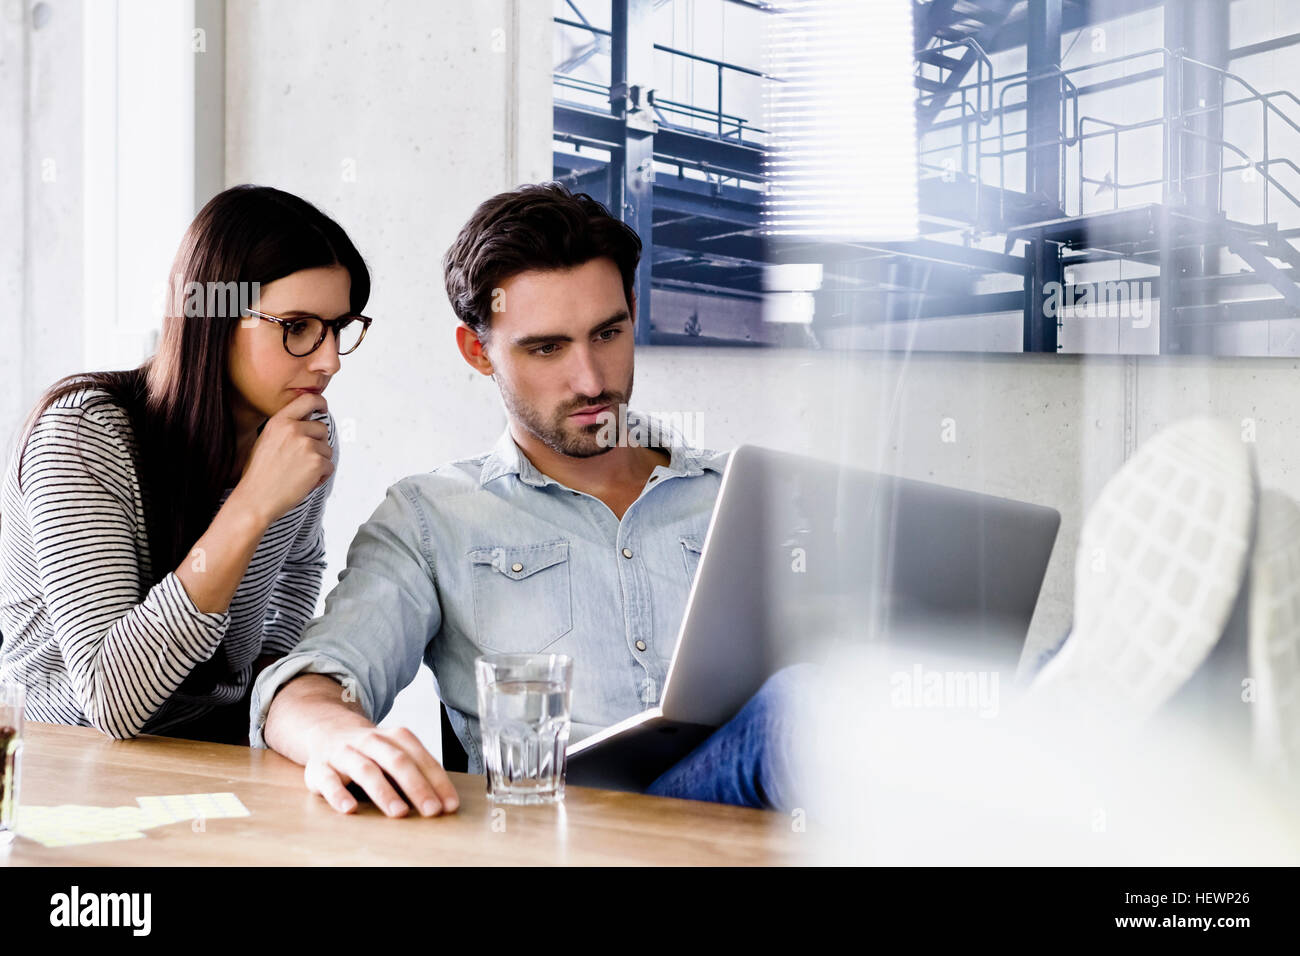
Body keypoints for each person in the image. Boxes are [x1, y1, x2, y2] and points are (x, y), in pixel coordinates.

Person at [252, 183, 804, 816]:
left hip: (746, 823)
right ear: (477, 352)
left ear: (631, 308)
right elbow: (307, 687)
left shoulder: (743, 494)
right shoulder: (431, 517)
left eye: (607, 333)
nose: (592, 380)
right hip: (561, 835)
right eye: (546, 347)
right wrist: (338, 738)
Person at [0, 184, 373, 744]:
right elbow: (111, 701)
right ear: (213, 318)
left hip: (213, 750)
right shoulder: (82, 434)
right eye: (296, 327)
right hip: (64, 758)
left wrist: (270, 705)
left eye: (338, 328)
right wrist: (250, 505)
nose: (329, 361)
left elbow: (298, 571)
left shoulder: (305, 431)